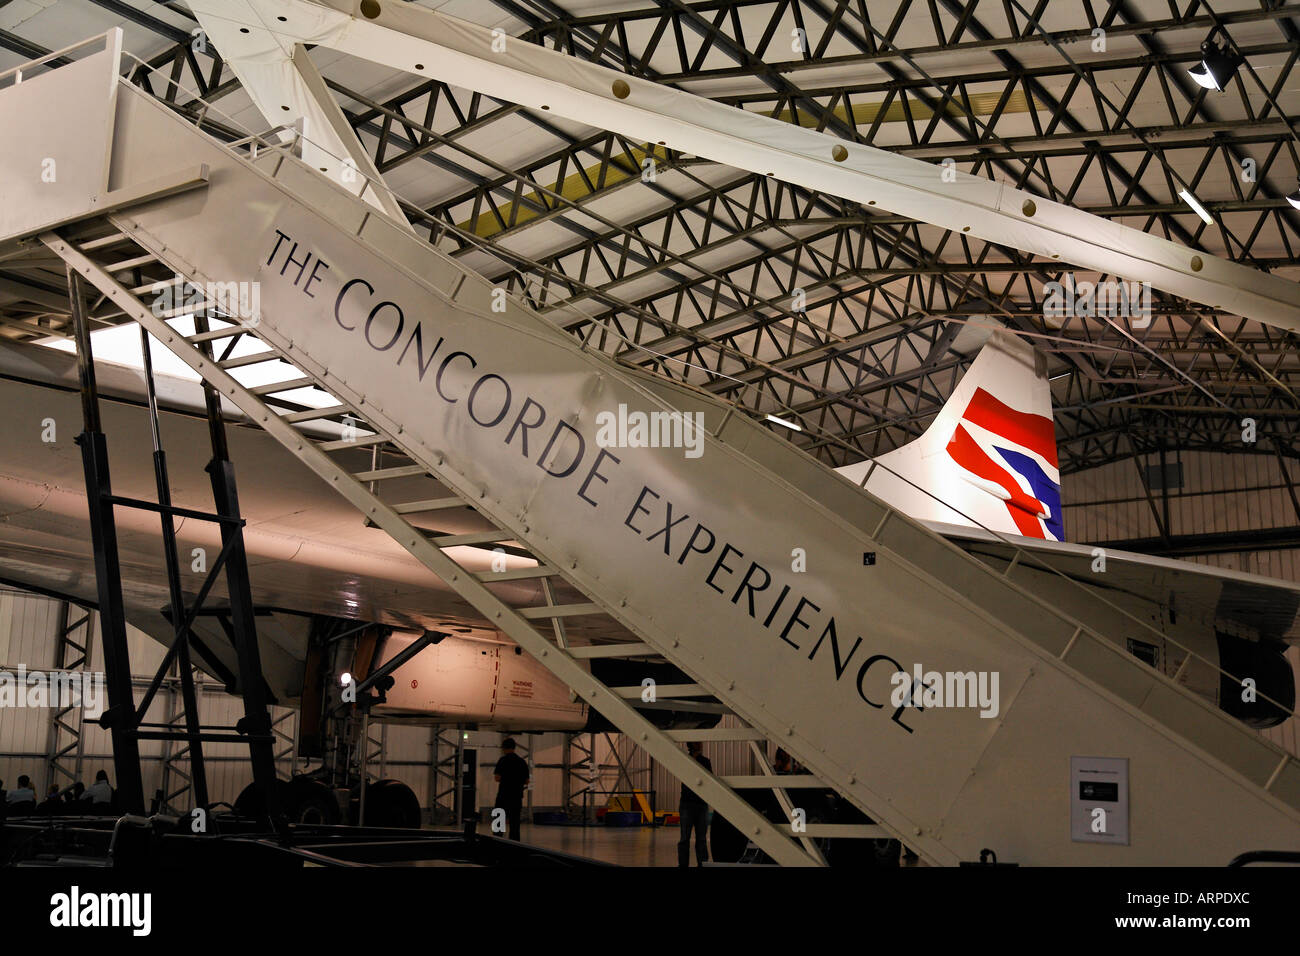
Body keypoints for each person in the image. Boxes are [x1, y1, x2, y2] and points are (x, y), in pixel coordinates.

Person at [677, 741, 712, 867]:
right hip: (687, 803)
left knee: (701, 839)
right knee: (684, 838)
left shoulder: (706, 762)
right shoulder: (685, 760)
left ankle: (702, 864)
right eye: (697, 743)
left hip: (700, 804)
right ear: (691, 744)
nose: (700, 744)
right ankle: (683, 864)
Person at [492, 738, 529, 841]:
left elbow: (497, 778)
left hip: (503, 796)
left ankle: (497, 841)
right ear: (514, 747)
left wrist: (506, 779)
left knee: (499, 822)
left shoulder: (502, 760)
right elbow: (527, 781)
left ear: (504, 748)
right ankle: (514, 844)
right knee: (515, 824)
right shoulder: (522, 762)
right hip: (516, 797)